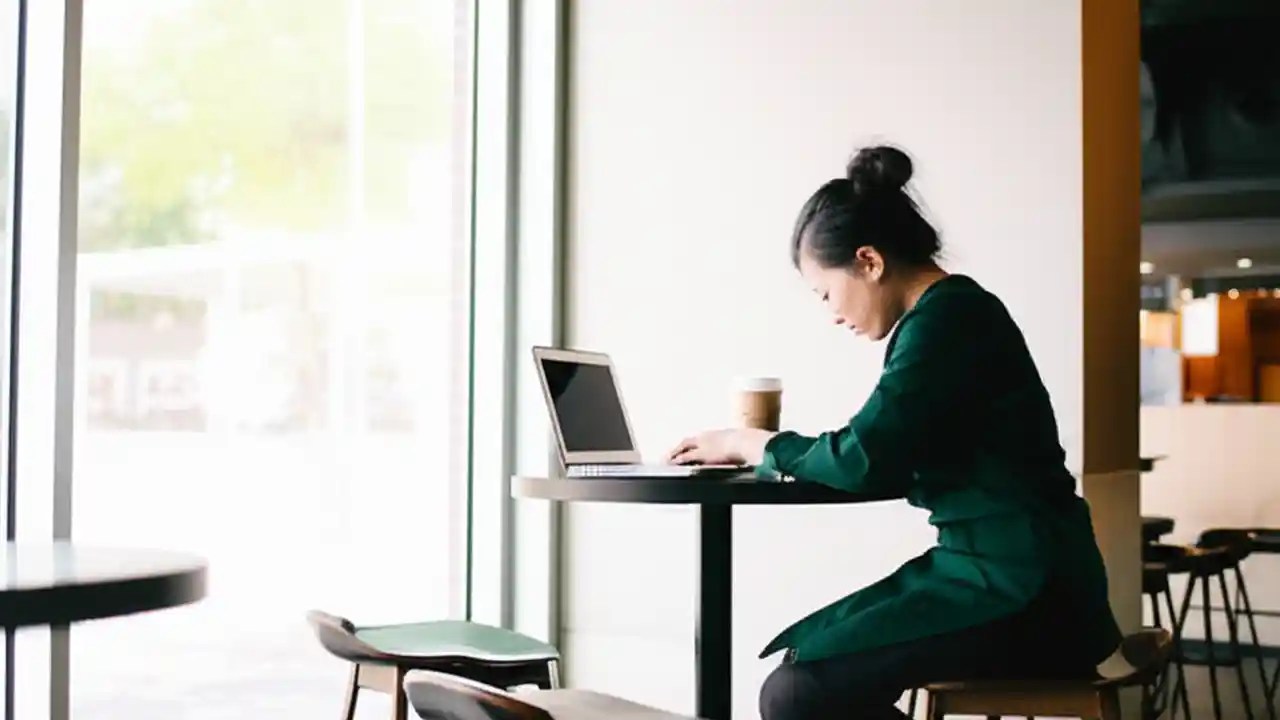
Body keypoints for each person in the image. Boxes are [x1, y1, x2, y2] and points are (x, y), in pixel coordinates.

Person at [666, 145, 1122, 720]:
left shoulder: (948, 319)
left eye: (826, 292)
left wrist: (750, 443)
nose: (831, 313)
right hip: (1007, 573)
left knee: (799, 691)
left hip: (1025, 590)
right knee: (803, 675)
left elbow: (864, 455)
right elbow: (881, 446)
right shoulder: (950, 314)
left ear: (870, 262)